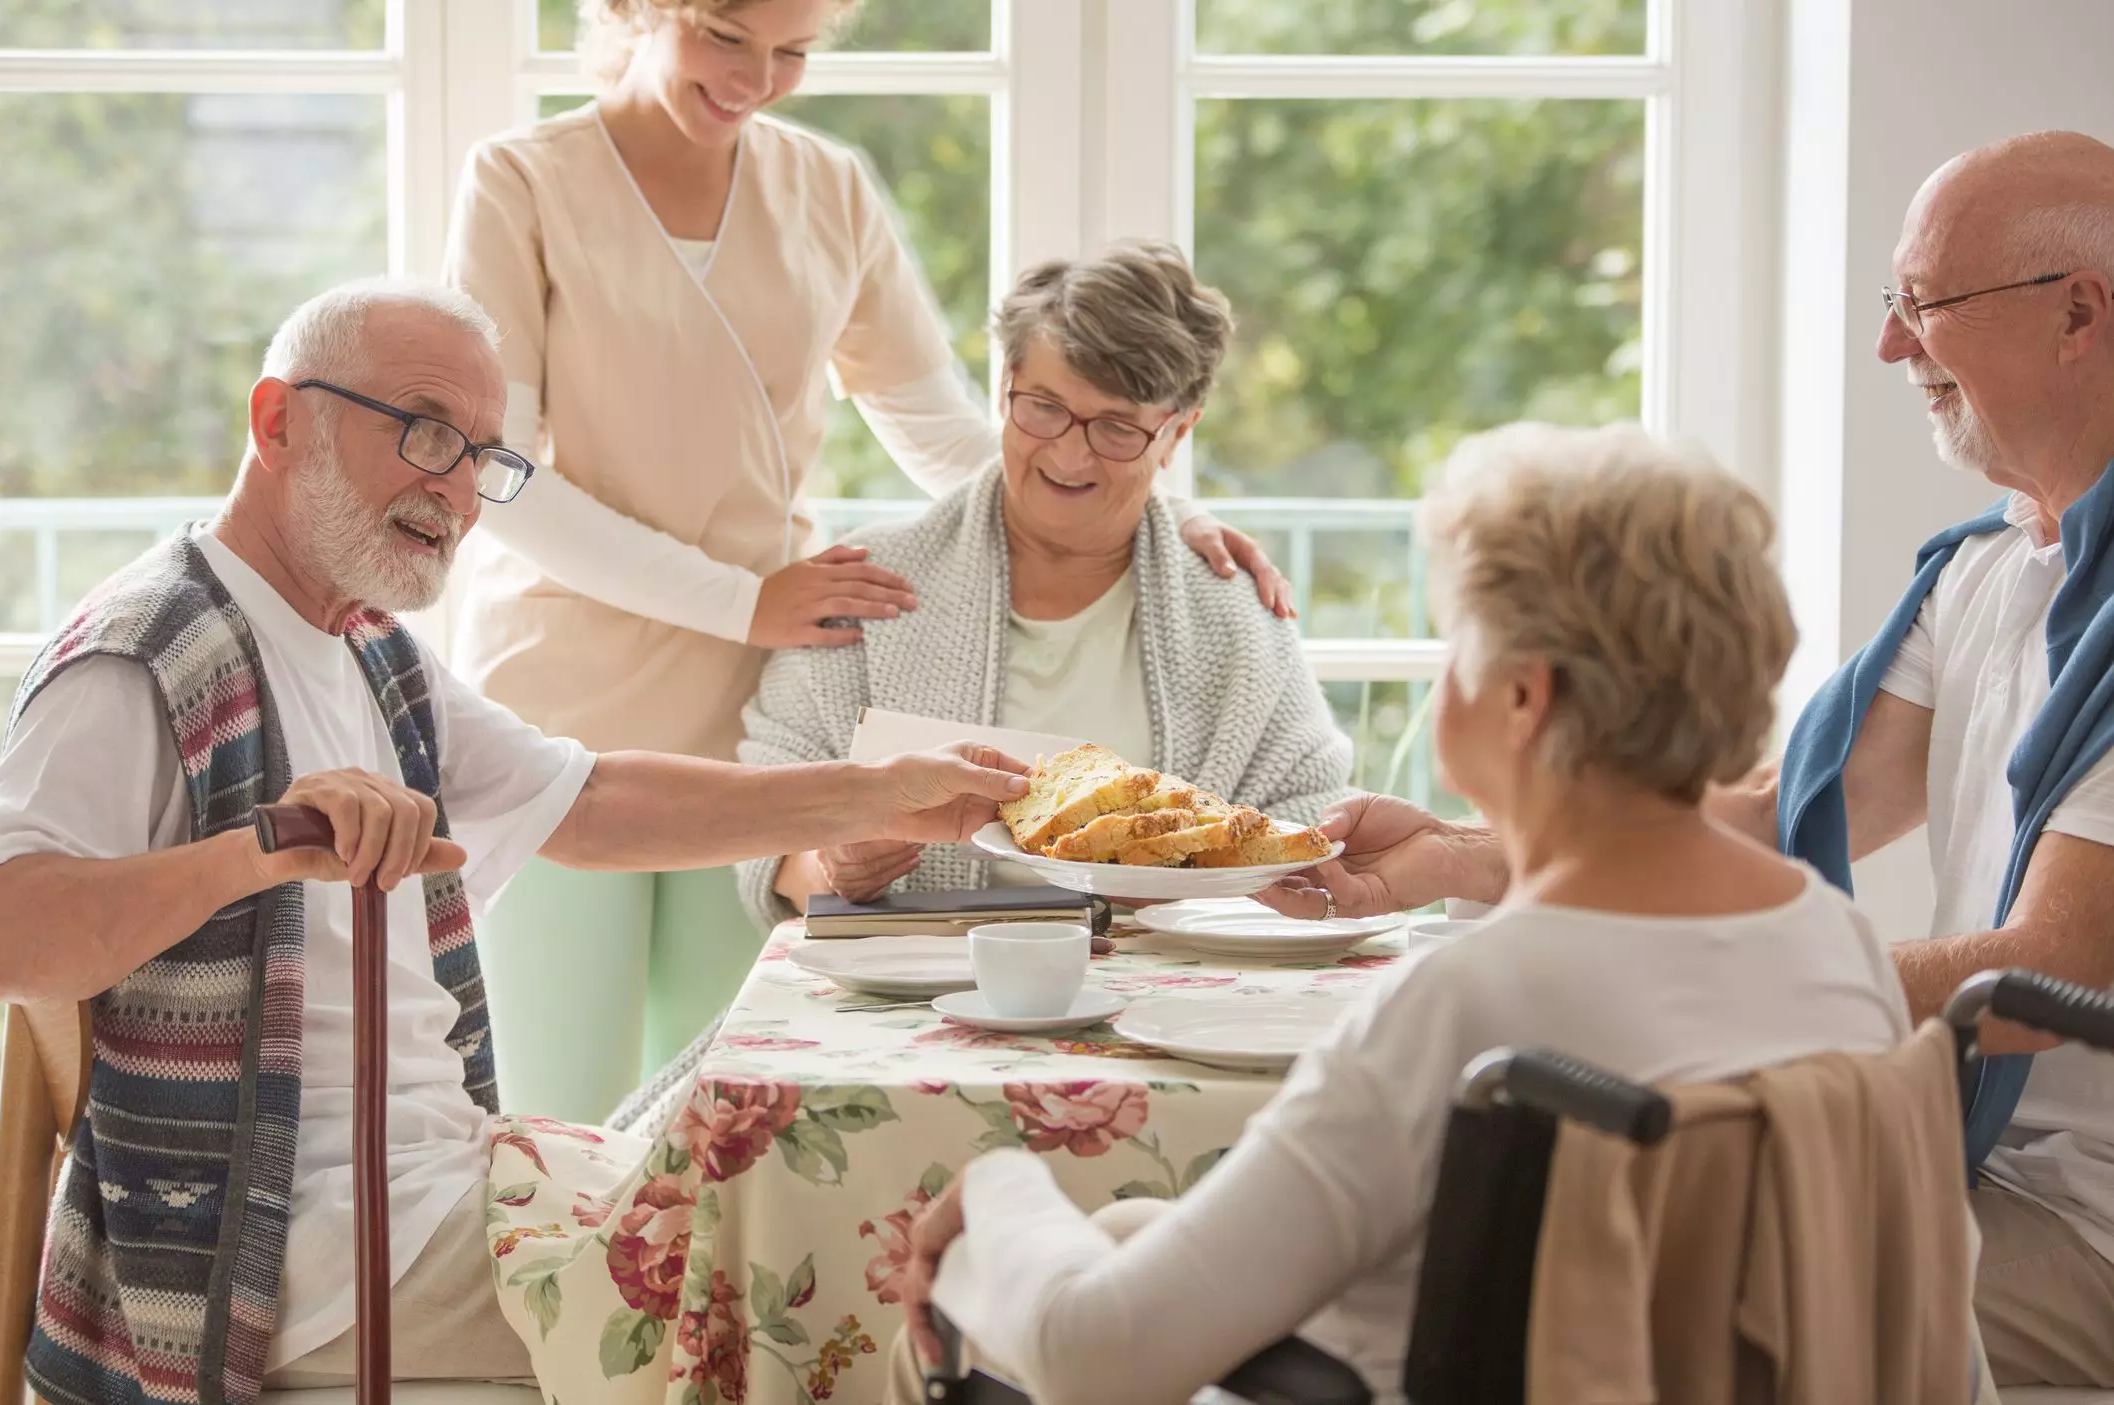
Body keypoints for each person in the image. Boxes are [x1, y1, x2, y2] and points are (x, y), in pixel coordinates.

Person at [0, 278, 1034, 1401]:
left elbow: (588, 802)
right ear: (278, 421)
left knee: (857, 1213)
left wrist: (867, 797)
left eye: (482, 457)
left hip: (445, 1185)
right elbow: (3, 934)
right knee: (822, 1285)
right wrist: (256, 850)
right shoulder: (145, 650)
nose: (456, 492)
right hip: (295, 1247)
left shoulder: (367, 648)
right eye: (427, 432)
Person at [1292, 132, 2114, 1391]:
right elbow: (1781, 813)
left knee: (1582, 1285)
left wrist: (1683, 975)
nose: (1890, 346)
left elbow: (2052, 969)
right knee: (1490, 1243)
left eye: (1922, 304)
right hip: (1964, 1160)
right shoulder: (1991, 566)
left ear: (2076, 313)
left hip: (2086, 1223)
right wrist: (1453, 861)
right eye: (1888, 305)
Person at [885, 423, 1918, 1405]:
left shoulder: (1470, 1005)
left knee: (980, 1287)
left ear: (1523, 695)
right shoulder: (1835, 945)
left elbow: (1093, 1356)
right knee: (1127, 1232)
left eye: (1452, 643)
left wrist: (996, 1182)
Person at [441, 0, 1292, 1112]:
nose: (758, 78)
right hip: (567, 689)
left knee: (722, 1101)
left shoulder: (826, 187)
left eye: (793, 52)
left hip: (751, 707)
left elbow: (937, 423)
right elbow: (493, 467)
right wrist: (742, 599)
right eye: (728, 38)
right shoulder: (520, 180)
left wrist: (1153, 515)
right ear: (638, 10)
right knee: (558, 1103)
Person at [733, 243, 1353, 929]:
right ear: (1006, 387)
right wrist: (833, 866)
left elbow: (1310, 823)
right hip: (915, 992)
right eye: (1045, 407)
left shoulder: (1235, 614)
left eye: (1117, 427)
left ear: (1176, 432)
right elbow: (765, 821)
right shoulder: (868, 587)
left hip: (1161, 997)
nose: (1069, 453)